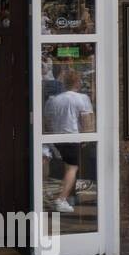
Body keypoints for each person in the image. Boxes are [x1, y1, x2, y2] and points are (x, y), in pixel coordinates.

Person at [44, 68, 95, 213]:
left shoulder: (52, 100)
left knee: (68, 168)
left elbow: (47, 122)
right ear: (77, 83)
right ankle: (61, 199)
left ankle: (68, 197)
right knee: (72, 168)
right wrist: (87, 139)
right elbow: (87, 121)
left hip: (57, 139)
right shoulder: (82, 98)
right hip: (73, 138)